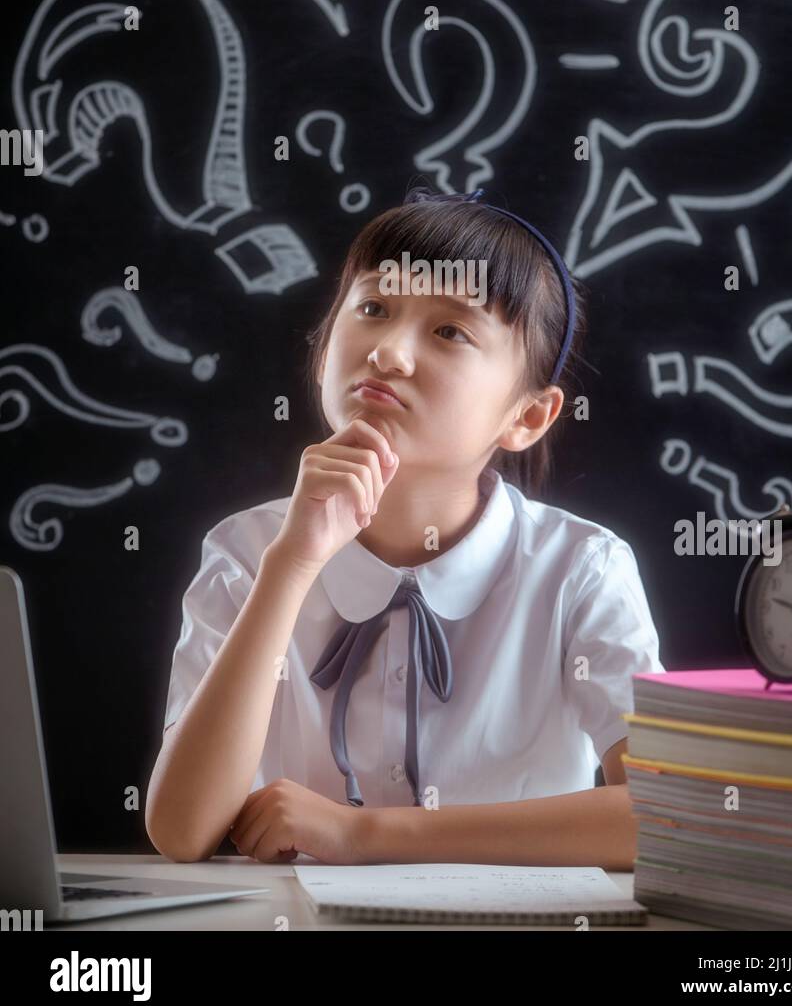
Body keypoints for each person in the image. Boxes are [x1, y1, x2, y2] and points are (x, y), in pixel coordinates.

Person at [145, 187, 665, 868]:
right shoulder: (248, 552)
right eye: (373, 308)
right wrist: (292, 566)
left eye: (450, 330)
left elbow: (665, 816)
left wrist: (362, 836)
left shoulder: (580, 569)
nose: (388, 352)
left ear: (529, 417)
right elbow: (182, 830)